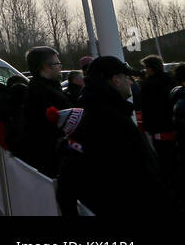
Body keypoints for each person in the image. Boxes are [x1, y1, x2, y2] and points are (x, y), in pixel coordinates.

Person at [53, 56, 165, 216]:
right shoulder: (111, 120)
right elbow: (142, 172)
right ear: (116, 80)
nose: (131, 82)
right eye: (128, 78)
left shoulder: (92, 113)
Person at [17, 46, 69, 176]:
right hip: (51, 161)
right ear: (46, 67)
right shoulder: (44, 94)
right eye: (57, 63)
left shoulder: (41, 88)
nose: (60, 66)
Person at [139, 55, 176, 193]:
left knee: (164, 159)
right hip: (174, 124)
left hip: (158, 128)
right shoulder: (172, 80)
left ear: (149, 68)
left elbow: (146, 107)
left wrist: (148, 127)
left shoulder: (148, 85)